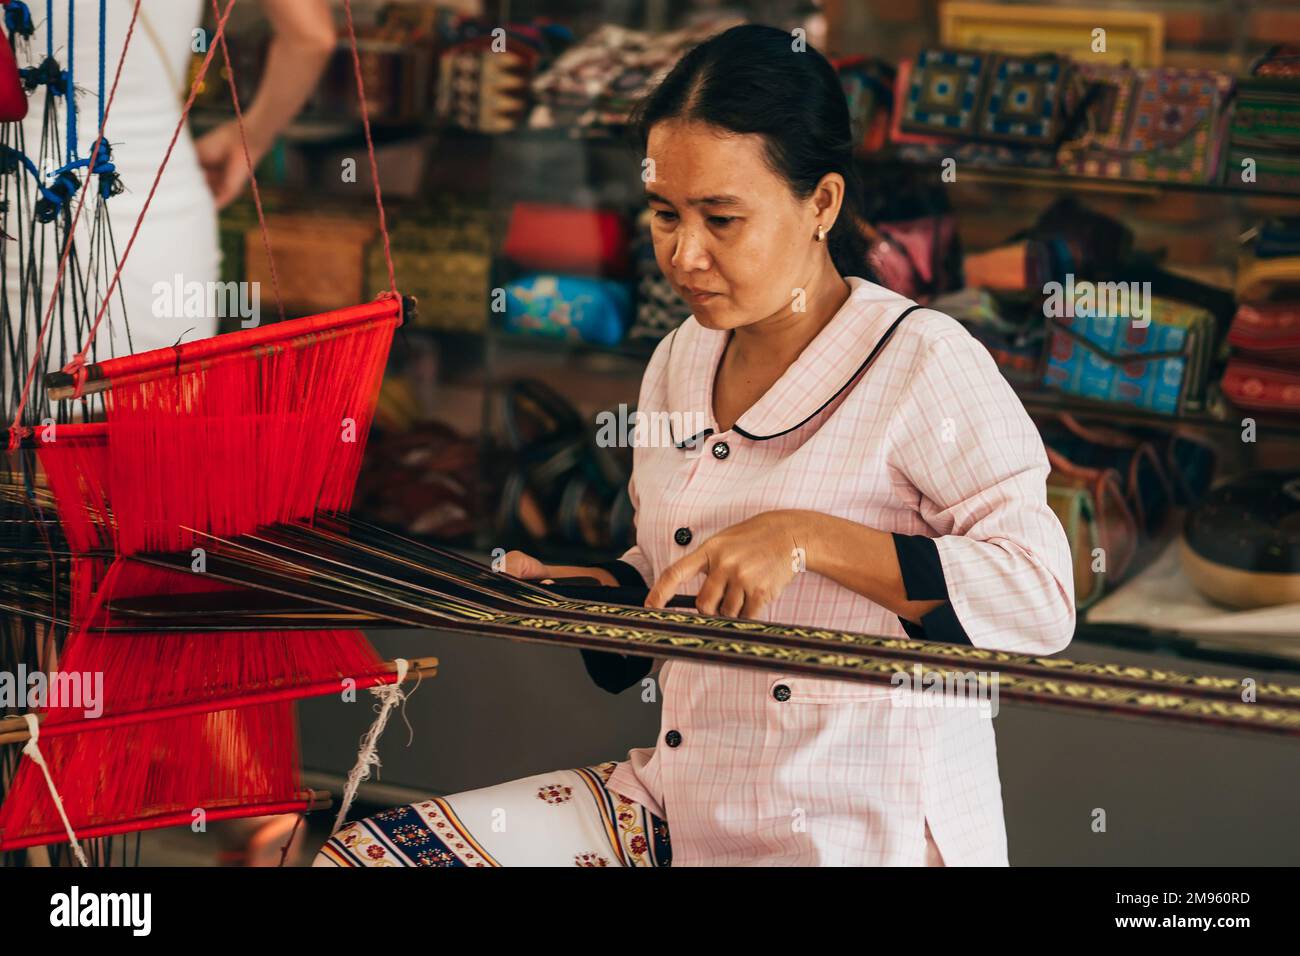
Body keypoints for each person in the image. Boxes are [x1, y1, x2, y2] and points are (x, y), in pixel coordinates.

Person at [316, 23, 1075, 868]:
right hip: (689, 801)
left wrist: (804, 537)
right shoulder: (682, 356)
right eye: (664, 214)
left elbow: (1039, 599)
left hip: (859, 829)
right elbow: (664, 580)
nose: (684, 255)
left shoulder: (924, 361)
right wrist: (572, 593)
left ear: (821, 203)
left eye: (721, 218)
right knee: (367, 861)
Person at [2, 0, 335, 866]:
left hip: (19, 240)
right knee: (173, 536)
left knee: (36, 554)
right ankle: (252, 814)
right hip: (159, 220)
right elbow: (313, 34)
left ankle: (57, 837)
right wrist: (252, 135)